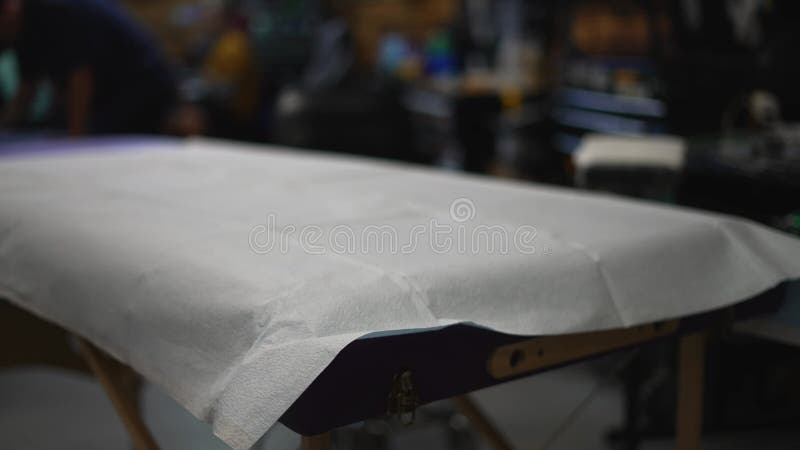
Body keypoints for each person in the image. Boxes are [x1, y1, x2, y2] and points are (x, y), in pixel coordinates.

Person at [0, 0, 176, 136]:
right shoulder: (22, 28)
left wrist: (76, 138)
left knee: (94, 135)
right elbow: (27, 89)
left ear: (8, 10)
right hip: (107, 92)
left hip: (142, 85)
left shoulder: (53, 10)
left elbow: (81, 75)